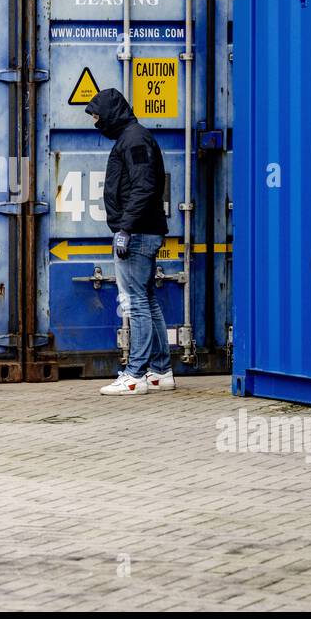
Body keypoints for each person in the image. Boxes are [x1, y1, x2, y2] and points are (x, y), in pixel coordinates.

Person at [83, 88, 176, 396]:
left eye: (97, 116)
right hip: (142, 230)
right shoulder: (133, 137)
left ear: (111, 114)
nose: (96, 122)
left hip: (136, 234)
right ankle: (161, 371)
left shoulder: (134, 139)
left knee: (134, 303)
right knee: (147, 300)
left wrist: (125, 228)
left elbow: (145, 186)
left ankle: (134, 375)